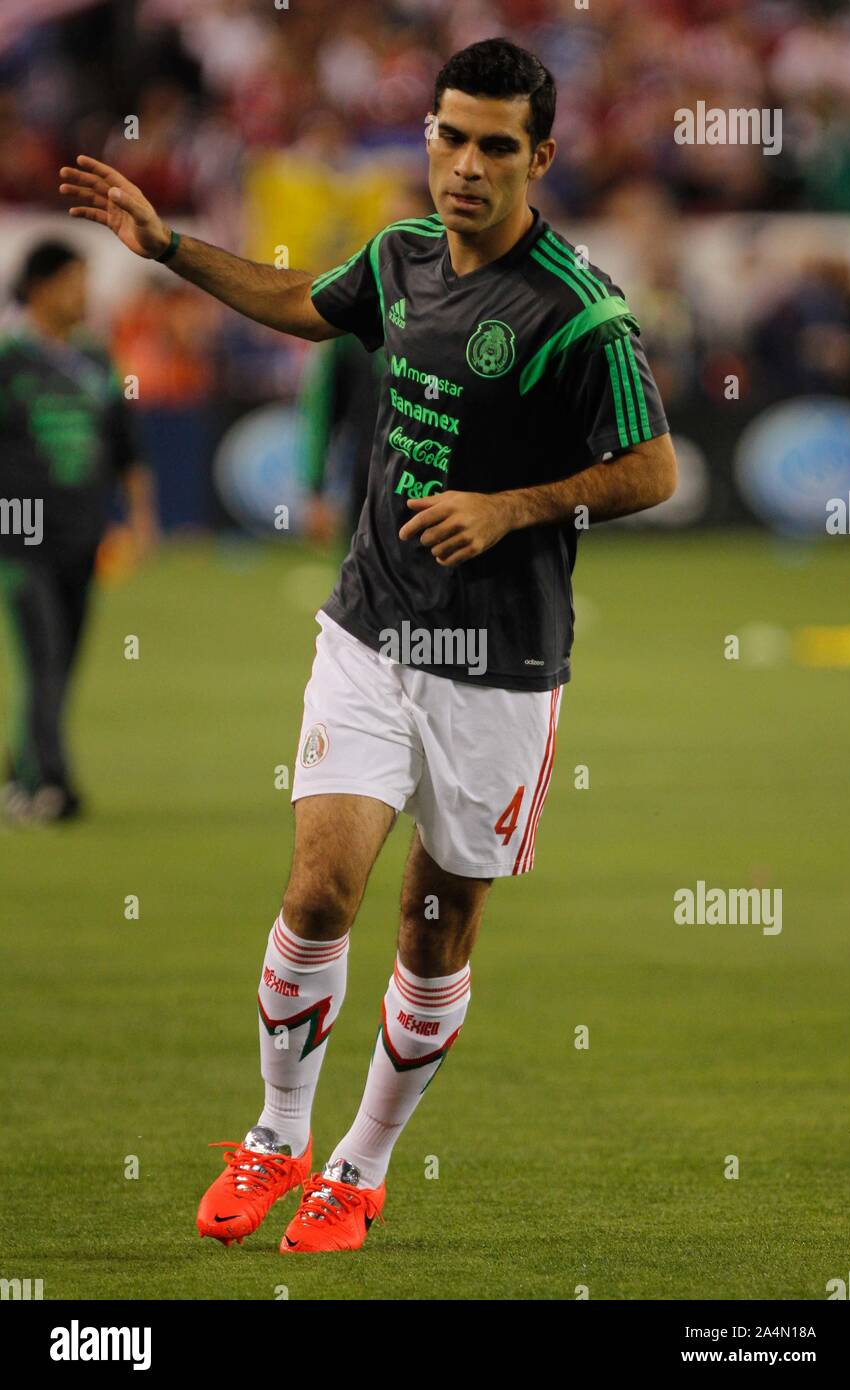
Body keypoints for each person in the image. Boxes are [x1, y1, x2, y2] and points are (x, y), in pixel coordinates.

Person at [60, 36, 676, 1252]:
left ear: (539, 157)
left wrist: (512, 507)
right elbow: (302, 303)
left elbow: (652, 467)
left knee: (432, 929)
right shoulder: (397, 259)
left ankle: (361, 1164)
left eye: (494, 146)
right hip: (369, 630)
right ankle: (277, 1132)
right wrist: (172, 246)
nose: (464, 165)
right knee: (317, 889)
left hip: (499, 670)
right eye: (449, 137)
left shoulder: (580, 311)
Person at [0, 240, 156, 823]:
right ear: (39, 287)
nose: (83, 293)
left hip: (81, 534)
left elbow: (125, 444)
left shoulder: (94, 357)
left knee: (61, 660)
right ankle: (49, 784)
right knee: (44, 655)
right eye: (73, 281)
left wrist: (141, 516)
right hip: (19, 535)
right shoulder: (9, 357)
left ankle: (22, 772)